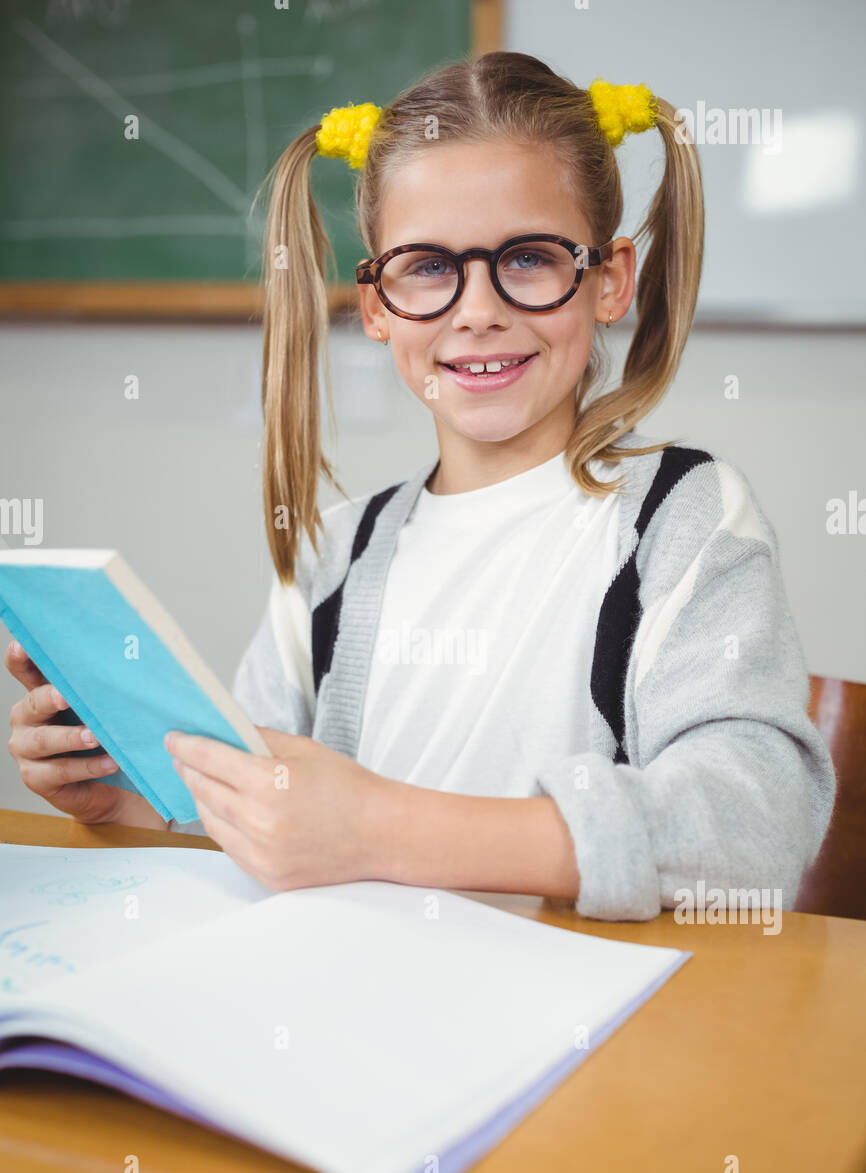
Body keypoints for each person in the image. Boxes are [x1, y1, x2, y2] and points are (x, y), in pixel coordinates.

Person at [6, 53, 835, 920]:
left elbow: (757, 826)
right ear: (376, 306)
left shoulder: (683, 516)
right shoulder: (336, 550)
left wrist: (380, 827)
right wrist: (120, 800)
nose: (478, 309)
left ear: (608, 281)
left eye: (528, 257)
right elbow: (268, 819)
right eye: (429, 267)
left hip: (597, 1032)